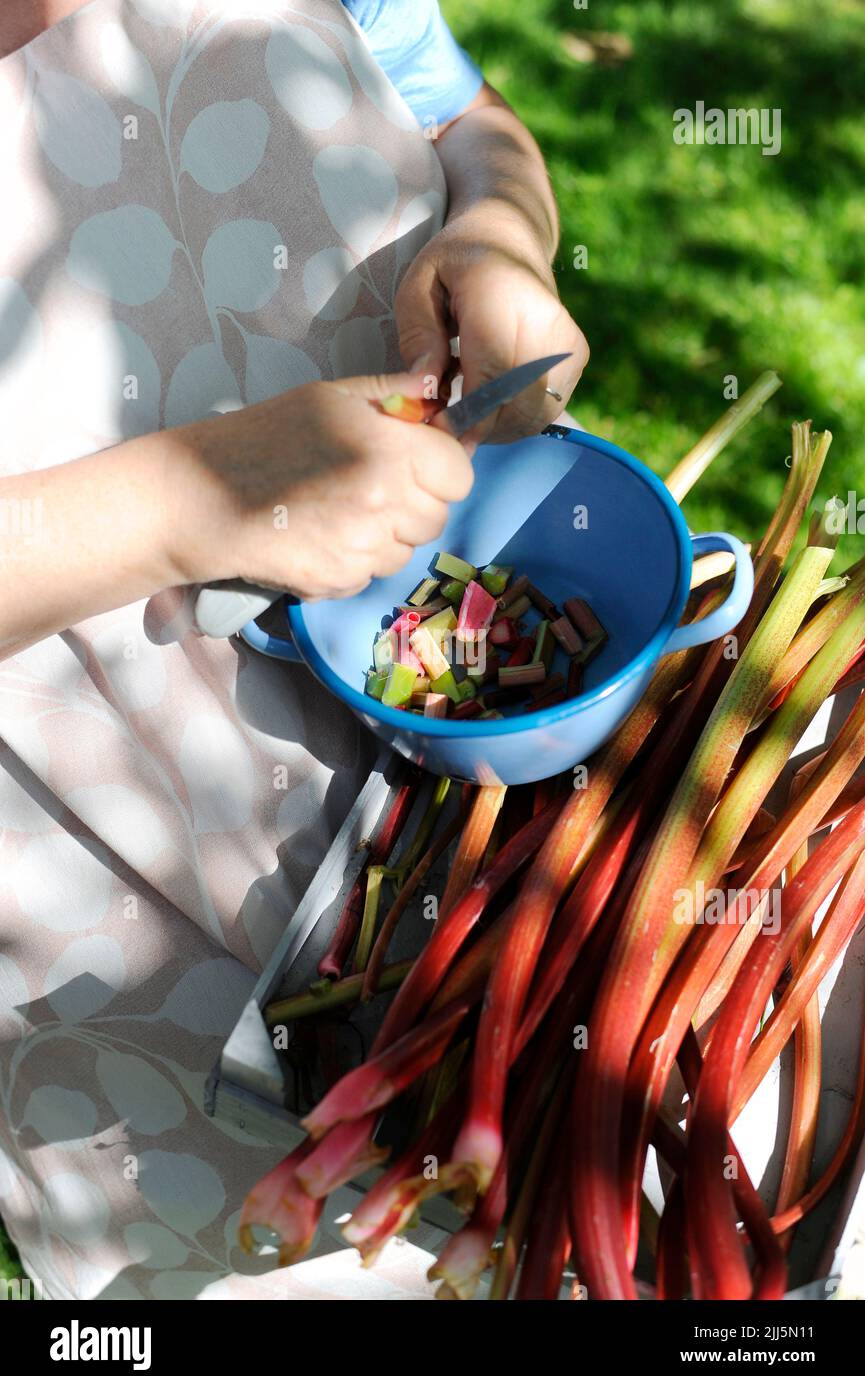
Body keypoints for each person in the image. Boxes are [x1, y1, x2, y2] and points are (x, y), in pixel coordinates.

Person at [0, 0, 587, 1299]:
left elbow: (468, 125)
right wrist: (190, 497)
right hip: (143, 970)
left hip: (517, 815)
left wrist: (494, 235)